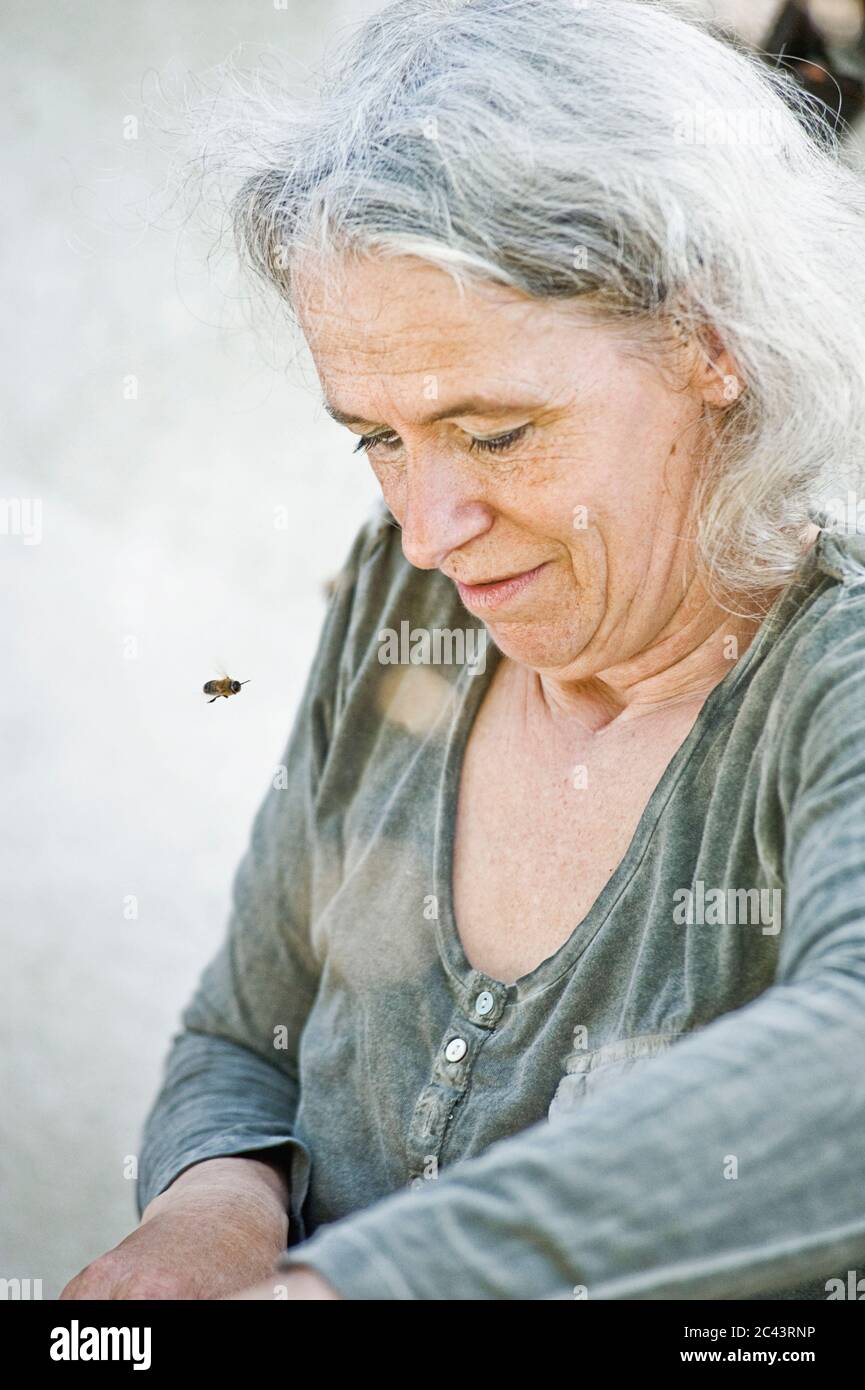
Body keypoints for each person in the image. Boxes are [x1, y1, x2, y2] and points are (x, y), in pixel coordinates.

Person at [61, 0, 865, 1301]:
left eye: (493, 433)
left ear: (711, 340)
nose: (427, 528)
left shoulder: (836, 675)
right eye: (375, 437)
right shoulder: (409, 603)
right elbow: (243, 1033)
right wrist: (209, 1216)